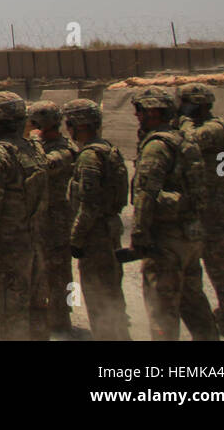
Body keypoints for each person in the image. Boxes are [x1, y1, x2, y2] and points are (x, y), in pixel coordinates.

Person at [130, 85, 217, 341]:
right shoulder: (183, 139)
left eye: (140, 111)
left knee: (161, 309)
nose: (137, 116)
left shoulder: (157, 146)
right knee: (193, 302)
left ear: (152, 112)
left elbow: (145, 194)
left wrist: (138, 236)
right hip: (188, 235)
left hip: (165, 241)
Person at [0, 91, 49, 340]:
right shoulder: (35, 149)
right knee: (36, 315)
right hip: (35, 246)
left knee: (8, 317)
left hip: (8, 252)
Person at [177, 83, 224, 337]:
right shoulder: (202, 126)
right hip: (206, 201)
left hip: (215, 204)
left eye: (186, 102)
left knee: (219, 261)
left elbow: (187, 140)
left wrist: (177, 122)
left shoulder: (214, 129)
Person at [62, 98, 131, 340]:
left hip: (95, 237)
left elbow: (88, 206)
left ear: (77, 126)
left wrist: (76, 239)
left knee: (99, 296)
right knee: (112, 292)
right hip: (109, 230)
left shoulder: (89, 157)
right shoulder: (109, 150)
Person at [27, 100, 79, 334]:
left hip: (58, 220)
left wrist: (31, 142)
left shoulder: (64, 150)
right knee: (42, 269)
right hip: (42, 218)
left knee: (62, 272)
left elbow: (43, 165)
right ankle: (51, 314)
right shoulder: (43, 144)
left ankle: (64, 316)